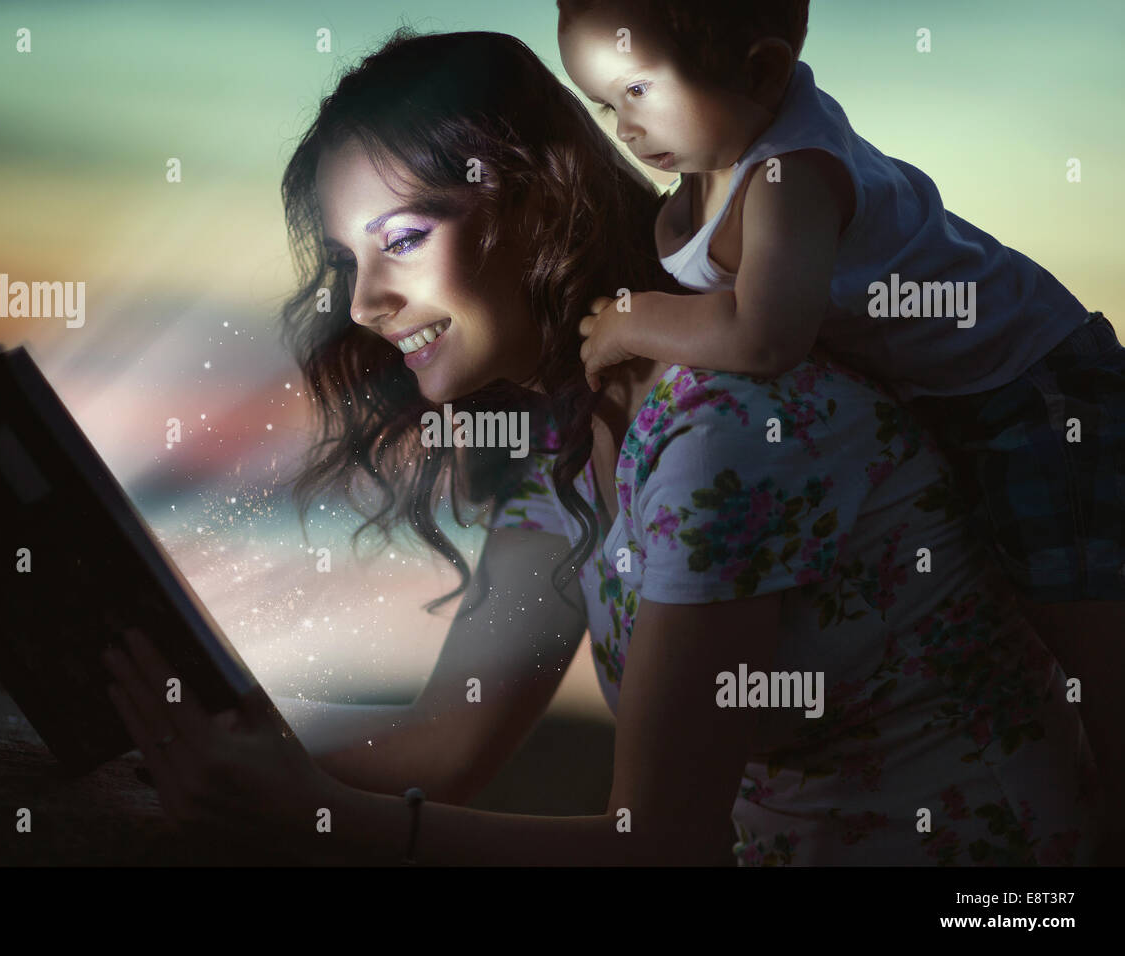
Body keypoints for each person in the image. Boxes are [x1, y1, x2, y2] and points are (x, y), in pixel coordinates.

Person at [101, 29, 1103, 865]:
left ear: (535, 198)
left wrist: (314, 819)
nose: (364, 303)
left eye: (402, 238)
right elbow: (448, 736)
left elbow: (661, 846)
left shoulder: (722, 429)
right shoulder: (566, 443)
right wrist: (195, 715)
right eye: (347, 259)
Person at [556, 0, 1125, 848]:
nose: (624, 127)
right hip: (950, 401)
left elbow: (765, 336)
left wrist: (634, 319)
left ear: (762, 72)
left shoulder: (792, 176)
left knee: (1084, 631)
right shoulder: (719, 156)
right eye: (604, 103)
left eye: (639, 90)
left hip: (1032, 391)